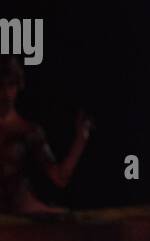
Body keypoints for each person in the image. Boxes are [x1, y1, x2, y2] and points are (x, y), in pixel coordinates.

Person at [0, 56, 92, 215]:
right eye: (0, 86)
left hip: (20, 210)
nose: (5, 94)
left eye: (10, 85)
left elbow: (59, 178)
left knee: (65, 219)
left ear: (18, 85)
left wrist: (80, 140)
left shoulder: (29, 131)